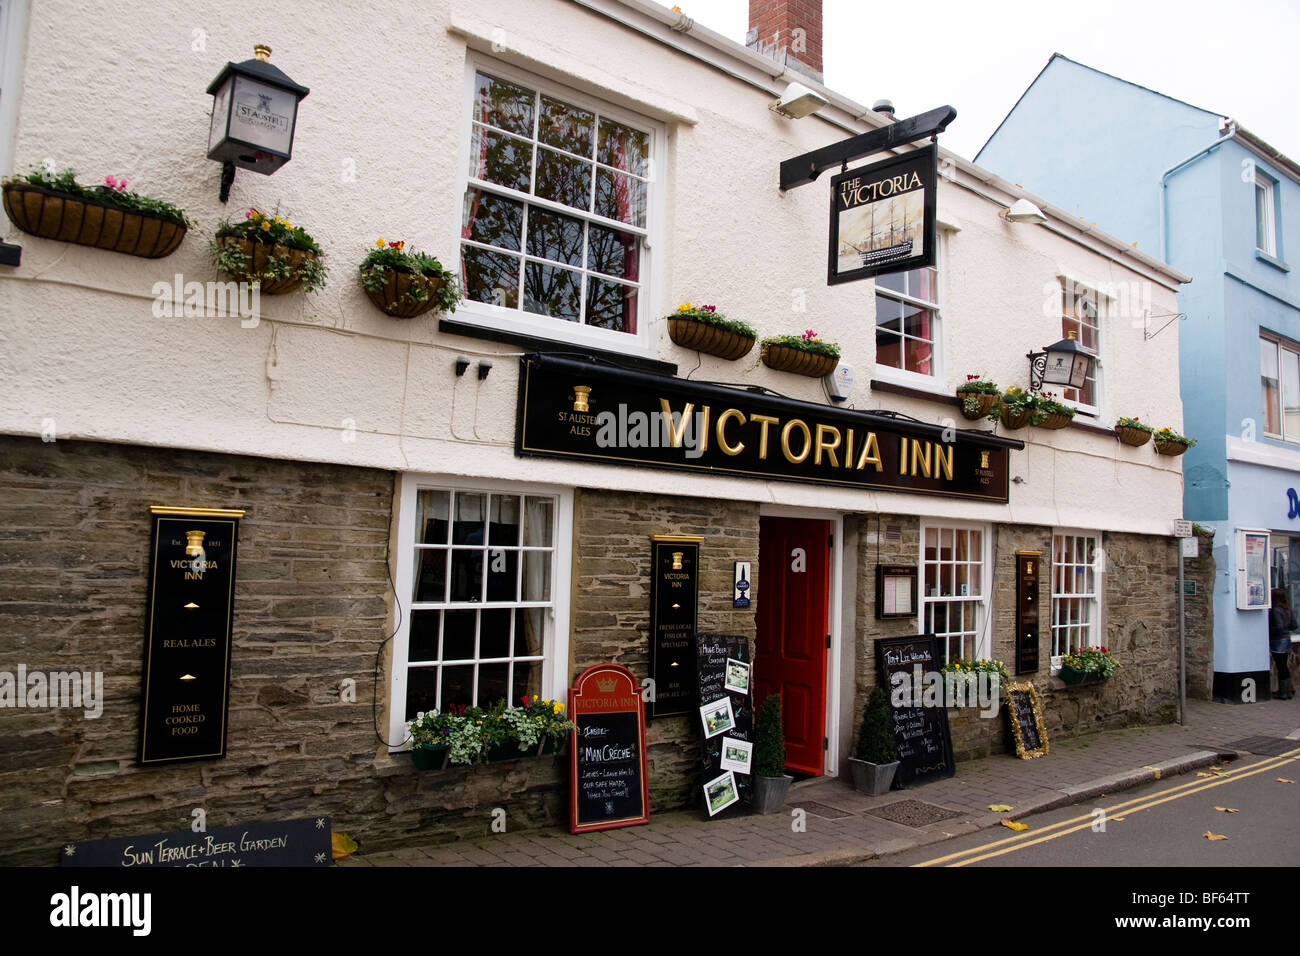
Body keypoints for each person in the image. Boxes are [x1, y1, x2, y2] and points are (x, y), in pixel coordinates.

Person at [1268, 589, 1295, 699]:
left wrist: (1270, 631)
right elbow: (1294, 625)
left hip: (1278, 640)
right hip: (1287, 639)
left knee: (1280, 666)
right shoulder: (1288, 609)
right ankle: (1287, 691)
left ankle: (1283, 692)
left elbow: (1279, 626)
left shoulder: (1275, 610)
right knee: (1284, 666)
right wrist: (1286, 630)